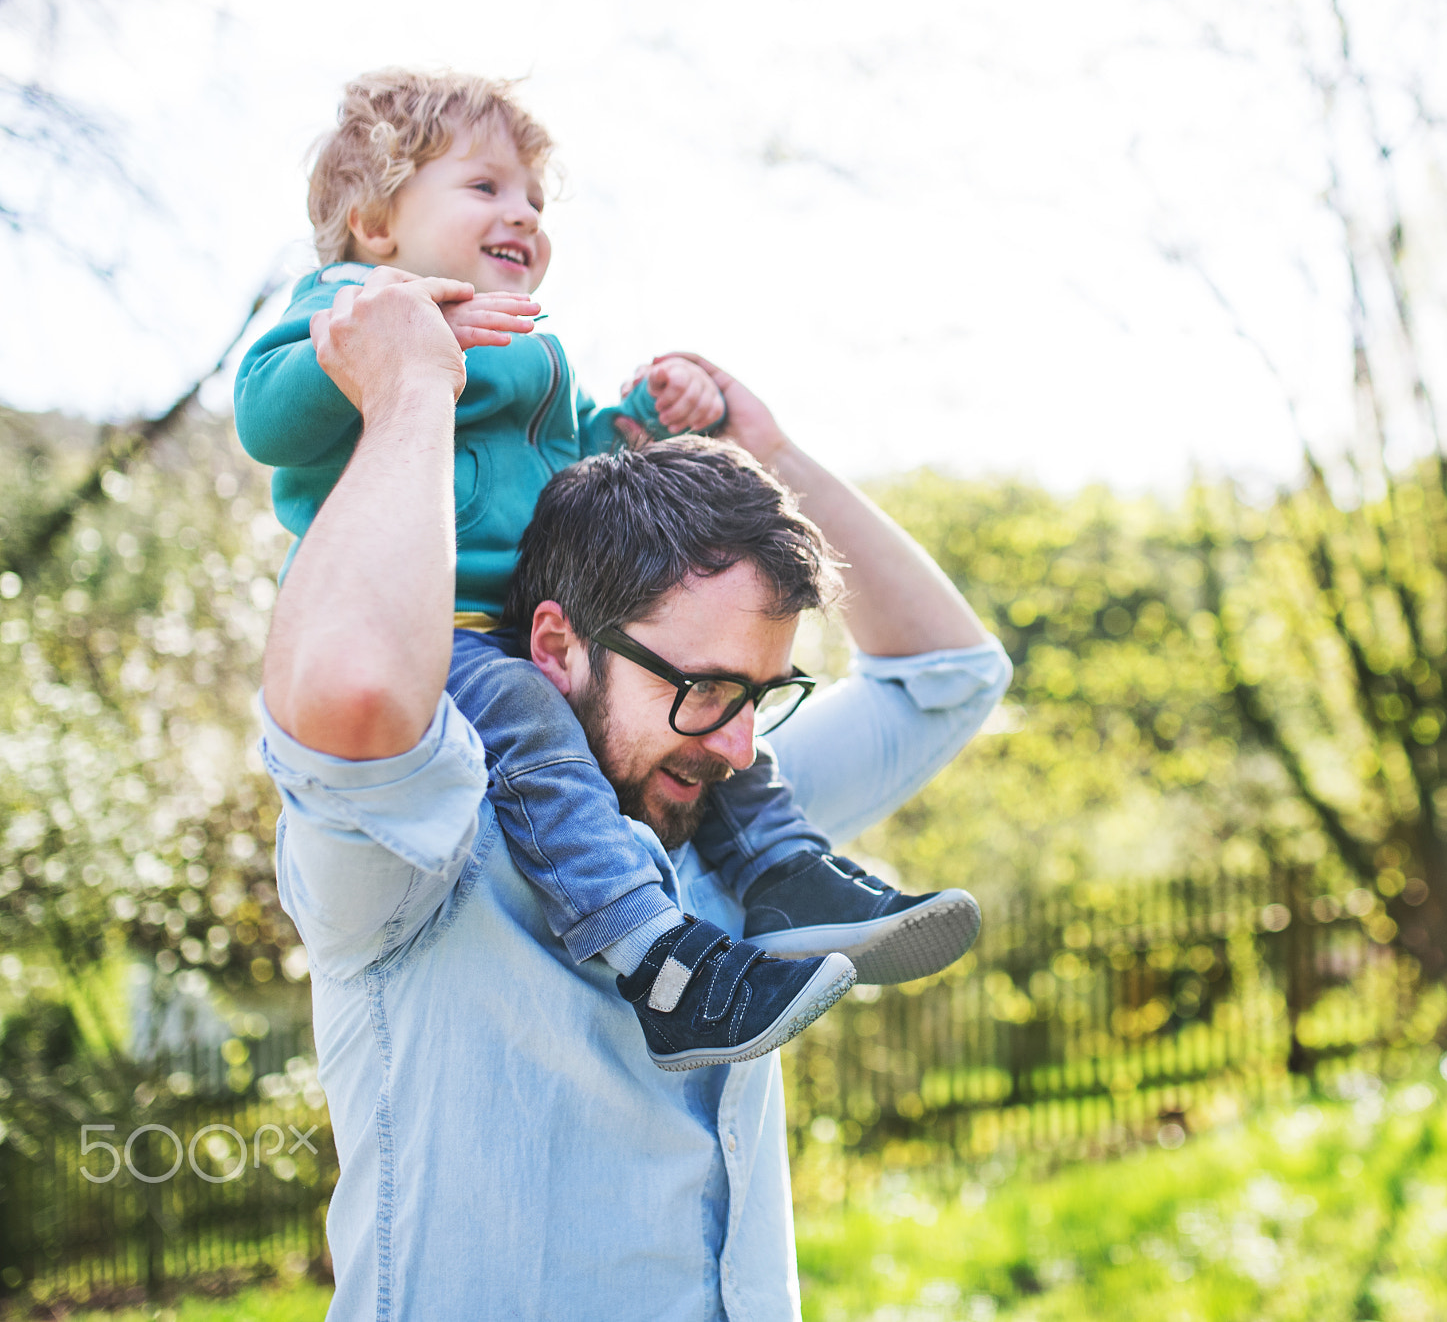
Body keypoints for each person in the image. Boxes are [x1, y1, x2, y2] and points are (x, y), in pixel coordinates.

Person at [259, 270, 1010, 1316]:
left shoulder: (725, 817)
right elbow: (350, 693)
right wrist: (411, 393)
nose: (741, 745)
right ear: (556, 643)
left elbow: (948, 676)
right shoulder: (414, 851)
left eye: (760, 693)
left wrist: (774, 455)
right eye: (704, 688)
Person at [237, 70, 983, 1069]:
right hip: (442, 638)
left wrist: (648, 414)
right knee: (541, 726)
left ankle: (784, 869)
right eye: (486, 188)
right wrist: (398, 356)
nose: (522, 215)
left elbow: (585, 461)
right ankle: (658, 961)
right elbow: (265, 416)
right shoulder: (350, 307)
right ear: (374, 221)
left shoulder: (532, 348)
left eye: (534, 201)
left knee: (728, 729)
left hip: (534, 627)